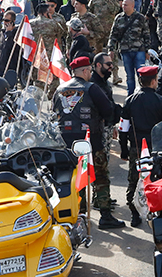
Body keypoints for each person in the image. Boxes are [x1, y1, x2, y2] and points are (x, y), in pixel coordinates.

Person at [52, 56, 123, 229]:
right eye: (89, 71)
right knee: (100, 177)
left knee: (77, 179)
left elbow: (54, 113)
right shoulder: (92, 88)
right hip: (92, 141)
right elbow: (108, 111)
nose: (90, 74)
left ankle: (80, 215)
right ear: (85, 71)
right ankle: (105, 216)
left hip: (67, 145)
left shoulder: (60, 89)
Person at [120, 65, 162, 227]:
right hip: (156, 149)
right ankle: (158, 213)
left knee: (134, 181)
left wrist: (124, 149)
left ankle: (135, 214)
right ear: (154, 81)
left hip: (136, 148)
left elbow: (123, 128)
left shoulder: (129, 101)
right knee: (158, 180)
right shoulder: (161, 101)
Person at [107, 0, 151, 95]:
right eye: (123, 5)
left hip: (139, 50)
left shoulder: (140, 18)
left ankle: (144, 95)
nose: (123, 7)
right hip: (125, 50)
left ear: (132, 6)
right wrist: (111, 49)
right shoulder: (119, 18)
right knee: (129, 76)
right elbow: (113, 35)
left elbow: (146, 34)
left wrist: (147, 50)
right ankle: (130, 96)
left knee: (142, 74)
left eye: (126, 5)